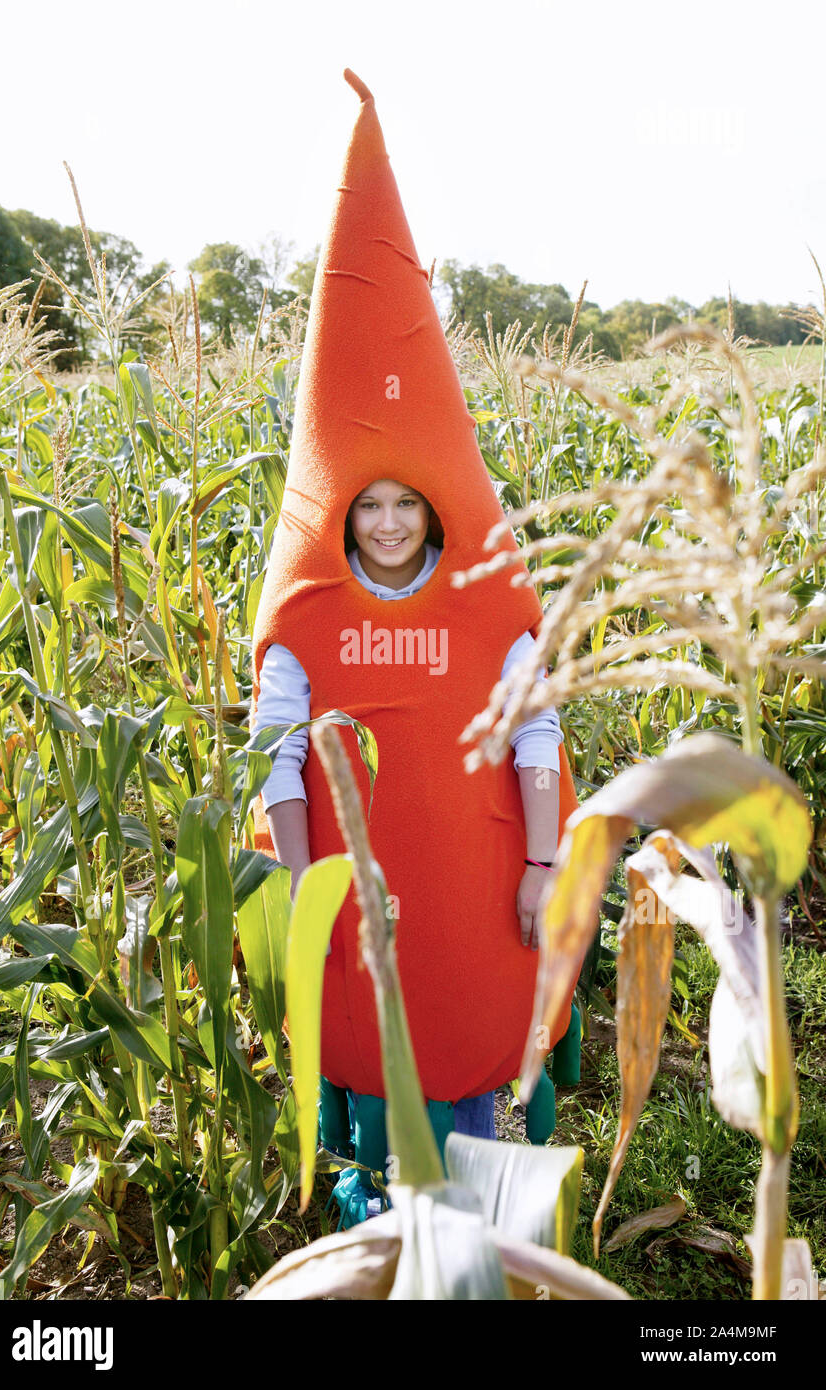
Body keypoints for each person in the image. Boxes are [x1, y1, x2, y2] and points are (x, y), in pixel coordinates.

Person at [249, 69, 584, 1227]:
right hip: (359, 889)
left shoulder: (488, 604)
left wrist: (542, 863)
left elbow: (535, 722)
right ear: (340, 513)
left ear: (438, 508)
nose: (389, 523)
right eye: (367, 505)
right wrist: (303, 883)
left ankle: (477, 1218)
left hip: (478, 883)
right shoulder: (306, 620)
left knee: (468, 1030)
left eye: (408, 504)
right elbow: (277, 754)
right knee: (366, 1035)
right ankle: (382, 1206)